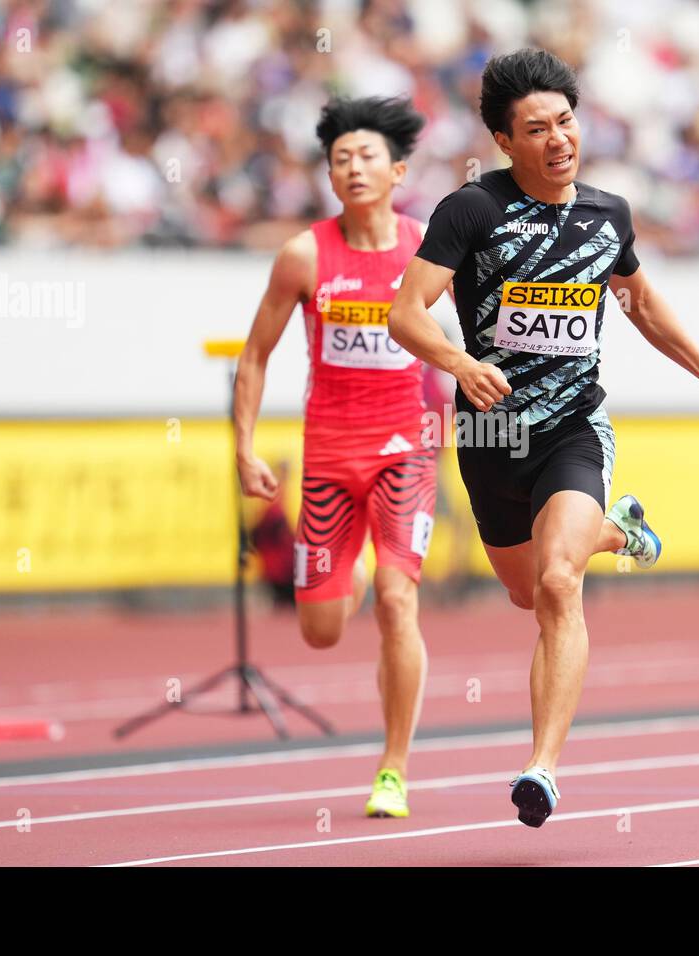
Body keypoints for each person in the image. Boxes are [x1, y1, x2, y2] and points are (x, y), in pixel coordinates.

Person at [388, 49, 699, 827]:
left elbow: (642, 303)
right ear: (503, 140)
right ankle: (621, 531)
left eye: (566, 122)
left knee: (558, 582)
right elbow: (405, 313)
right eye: (537, 129)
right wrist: (460, 361)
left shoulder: (607, 214)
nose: (559, 140)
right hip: (491, 437)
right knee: (524, 590)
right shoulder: (471, 211)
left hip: (572, 428)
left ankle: (542, 768)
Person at [233, 95, 436, 819]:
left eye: (366, 157)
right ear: (329, 175)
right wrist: (245, 445)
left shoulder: (430, 248)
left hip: (406, 449)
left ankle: (393, 770)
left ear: (398, 170)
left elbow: (480, 329)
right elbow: (256, 356)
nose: (352, 168)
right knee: (320, 630)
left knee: (396, 598)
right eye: (340, 159)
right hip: (328, 457)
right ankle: (345, 564)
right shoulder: (305, 255)